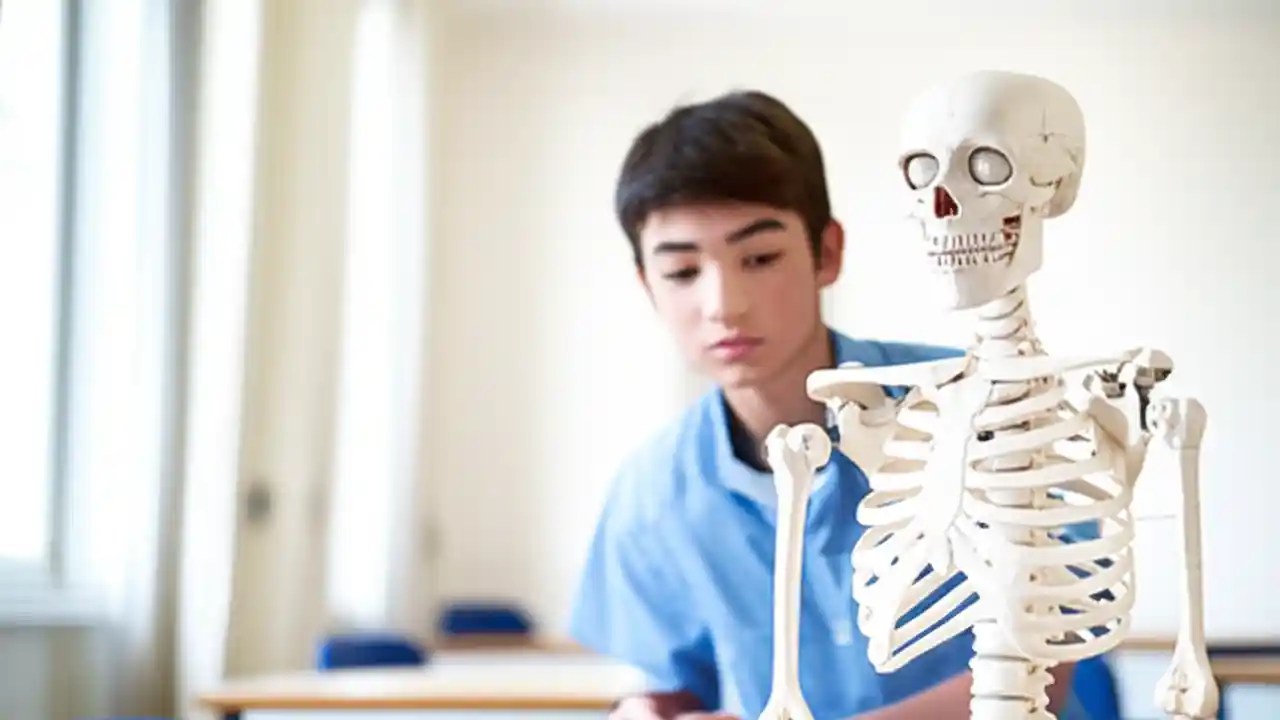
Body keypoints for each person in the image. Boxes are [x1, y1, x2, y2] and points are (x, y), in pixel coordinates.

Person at [567, 90, 1076, 719]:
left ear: (826, 253)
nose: (724, 305)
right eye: (681, 272)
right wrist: (644, 711)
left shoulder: (977, 405)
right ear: (648, 285)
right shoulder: (650, 496)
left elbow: (1045, 663)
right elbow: (668, 684)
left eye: (759, 258)